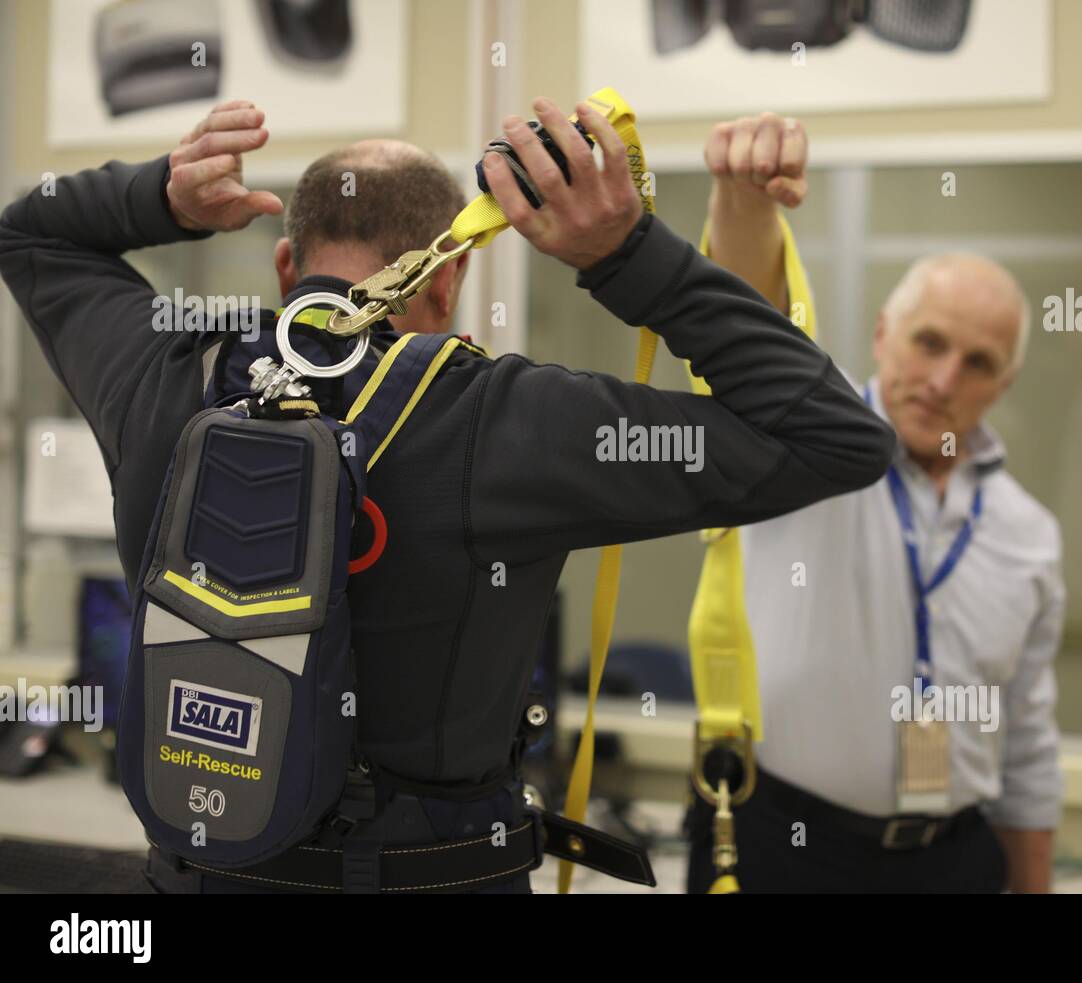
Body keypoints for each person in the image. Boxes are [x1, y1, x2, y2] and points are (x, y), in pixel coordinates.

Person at [0, 97, 895, 893]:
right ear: (447, 277)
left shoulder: (163, 375)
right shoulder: (506, 420)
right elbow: (833, 435)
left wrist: (159, 195)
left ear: (284, 265)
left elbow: (27, 233)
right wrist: (624, 255)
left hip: (197, 869)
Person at [685, 112, 1066, 894]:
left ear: (1006, 384)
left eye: (978, 362)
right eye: (930, 342)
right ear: (886, 331)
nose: (942, 379)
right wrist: (746, 202)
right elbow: (747, 325)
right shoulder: (801, 446)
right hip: (783, 848)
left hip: (952, 862)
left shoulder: (1029, 533)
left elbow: (1026, 740)